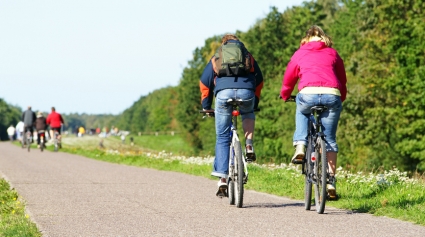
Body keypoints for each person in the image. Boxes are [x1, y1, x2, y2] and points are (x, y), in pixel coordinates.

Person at [280, 25, 347, 199]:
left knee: (301, 110)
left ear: (306, 39)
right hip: (332, 94)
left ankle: (301, 145)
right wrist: (341, 97)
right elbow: (342, 78)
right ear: (324, 38)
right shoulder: (332, 53)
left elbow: (289, 78)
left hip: (308, 93)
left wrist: (285, 94)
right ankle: (330, 182)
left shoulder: (300, 53)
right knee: (330, 139)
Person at [199, 33, 264, 197]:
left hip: (223, 94)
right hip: (246, 92)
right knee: (247, 111)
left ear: (224, 44)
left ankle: (222, 179)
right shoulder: (247, 55)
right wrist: (254, 102)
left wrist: (206, 106)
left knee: (222, 137)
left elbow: (205, 82)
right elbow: (259, 79)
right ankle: (249, 145)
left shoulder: (217, 55)